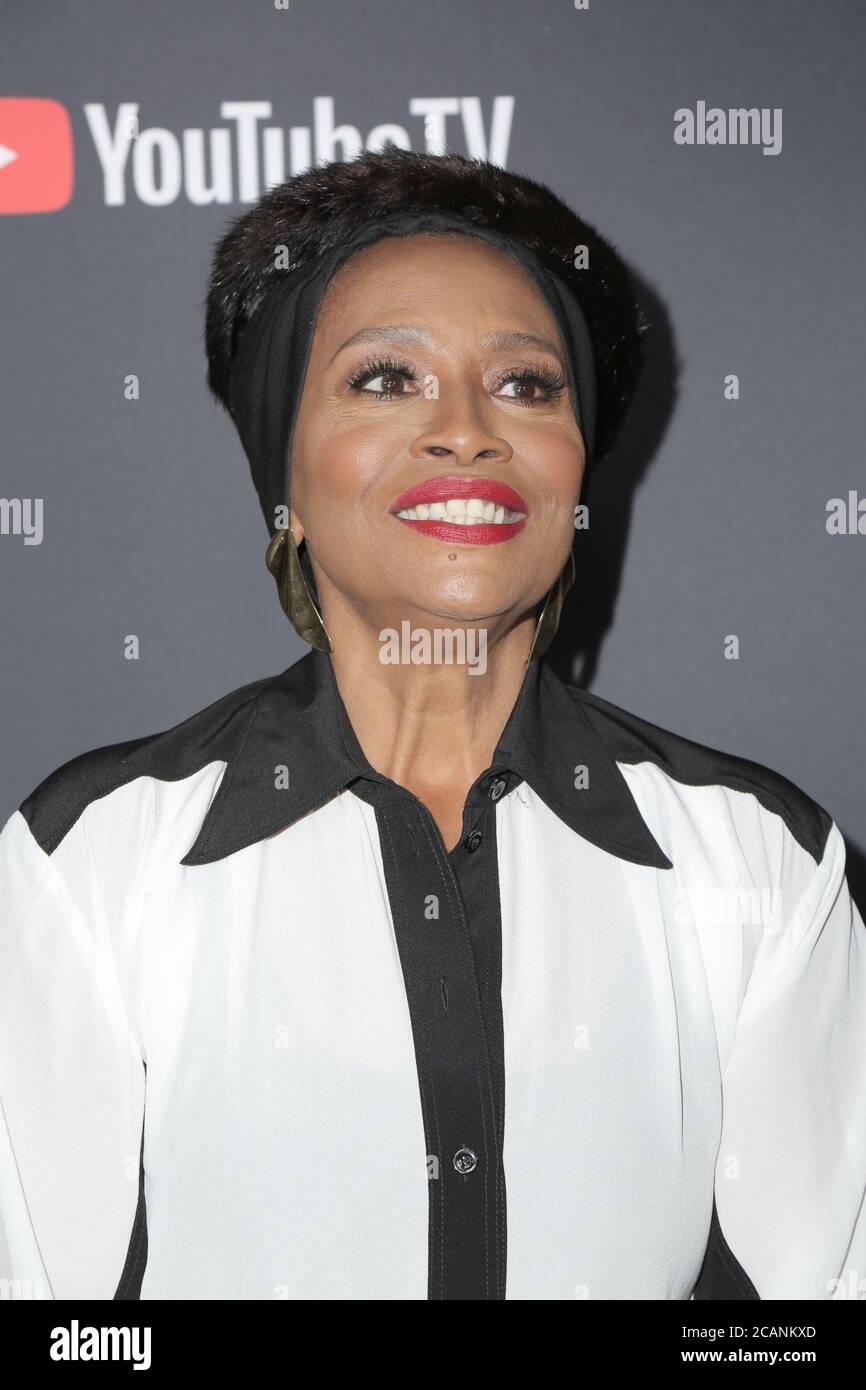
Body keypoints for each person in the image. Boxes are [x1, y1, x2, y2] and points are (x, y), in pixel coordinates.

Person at [1, 149, 864, 1301]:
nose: (465, 429)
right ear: (285, 483)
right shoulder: (90, 863)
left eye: (525, 385)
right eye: (385, 378)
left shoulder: (762, 861)